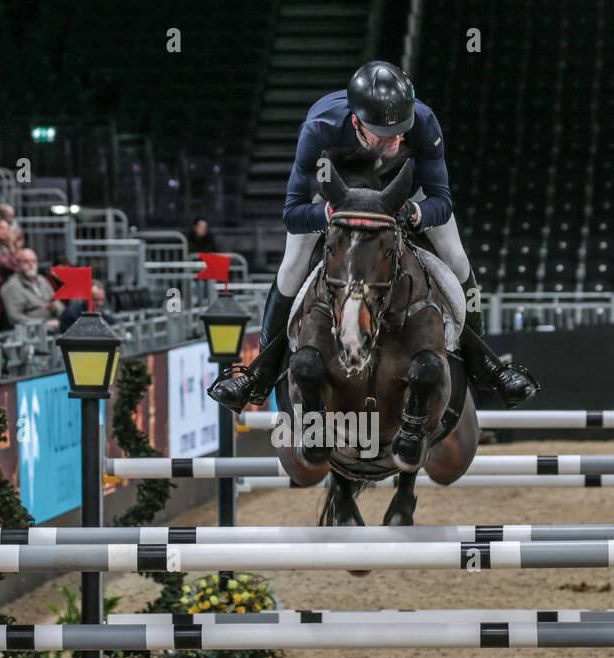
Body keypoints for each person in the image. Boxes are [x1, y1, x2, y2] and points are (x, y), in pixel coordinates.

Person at [208, 60, 536, 413]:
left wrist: (414, 212)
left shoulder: (423, 122)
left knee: (456, 258)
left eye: (400, 130)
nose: (396, 139)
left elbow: (441, 199)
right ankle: (258, 375)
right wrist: (332, 214)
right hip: (336, 197)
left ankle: (485, 365)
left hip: (404, 196)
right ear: (356, 124)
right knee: (291, 266)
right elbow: (293, 212)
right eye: (384, 132)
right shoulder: (320, 129)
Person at [0, 248, 61, 330]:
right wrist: (43, 324)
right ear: (18, 265)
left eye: (34, 261)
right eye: (26, 261)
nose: (31, 264)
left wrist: (55, 308)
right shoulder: (12, 286)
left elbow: (59, 304)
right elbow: (15, 318)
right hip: (31, 332)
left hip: (54, 325)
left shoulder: (42, 280)